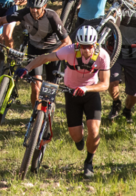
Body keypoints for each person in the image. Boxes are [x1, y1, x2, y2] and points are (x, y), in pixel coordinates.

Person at [19, 25, 110, 179]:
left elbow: (105, 84)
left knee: (94, 131)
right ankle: (80, 141)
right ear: (77, 45)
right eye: (83, 47)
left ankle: (89, 162)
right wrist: (26, 68)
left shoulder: (103, 56)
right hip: (71, 94)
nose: (86, 50)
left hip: (90, 94)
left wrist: (86, 89)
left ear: (95, 45)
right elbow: (45, 58)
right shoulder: (69, 51)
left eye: (89, 47)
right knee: (76, 136)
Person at [0, 0, 70, 104]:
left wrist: (50, 55)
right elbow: (0, 20)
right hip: (34, 50)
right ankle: (35, 119)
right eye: (31, 7)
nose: (34, 10)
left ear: (44, 6)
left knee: (50, 90)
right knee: (36, 88)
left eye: (38, 8)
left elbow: (67, 42)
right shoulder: (24, 13)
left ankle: (46, 115)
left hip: (52, 50)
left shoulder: (52, 17)